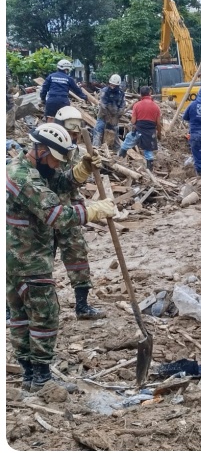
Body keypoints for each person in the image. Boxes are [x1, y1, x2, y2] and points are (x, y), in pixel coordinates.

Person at [7, 123, 114, 392]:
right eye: (55, 158)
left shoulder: (33, 169)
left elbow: (59, 182)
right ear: (41, 150)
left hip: (16, 259)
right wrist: (91, 211)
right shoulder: (23, 177)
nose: (57, 165)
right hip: (28, 260)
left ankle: (30, 376)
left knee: (20, 318)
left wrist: (82, 170)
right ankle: (41, 379)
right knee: (44, 316)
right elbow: (55, 214)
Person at [52, 107, 106, 319]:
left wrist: (88, 166)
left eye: (76, 134)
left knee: (78, 255)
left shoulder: (76, 153)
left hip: (70, 210)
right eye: (70, 133)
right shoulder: (44, 150)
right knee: (35, 262)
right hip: (44, 213)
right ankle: (15, 308)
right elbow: (57, 181)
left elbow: (75, 180)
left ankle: (82, 306)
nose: (73, 138)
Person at [118, 86, 161, 171]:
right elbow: (158, 124)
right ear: (150, 93)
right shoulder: (156, 107)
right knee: (148, 152)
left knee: (125, 145)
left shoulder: (137, 105)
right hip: (150, 133)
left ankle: (119, 162)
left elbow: (133, 121)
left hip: (138, 131)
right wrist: (159, 134)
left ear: (140, 94)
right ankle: (150, 171)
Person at [92, 74, 126, 150]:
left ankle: (117, 150)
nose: (112, 87)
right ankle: (95, 148)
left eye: (114, 86)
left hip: (114, 116)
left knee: (115, 133)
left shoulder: (121, 93)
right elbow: (103, 105)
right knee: (98, 130)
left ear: (118, 85)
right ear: (109, 83)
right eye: (111, 85)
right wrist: (108, 117)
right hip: (103, 115)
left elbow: (122, 106)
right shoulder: (104, 91)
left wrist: (117, 116)